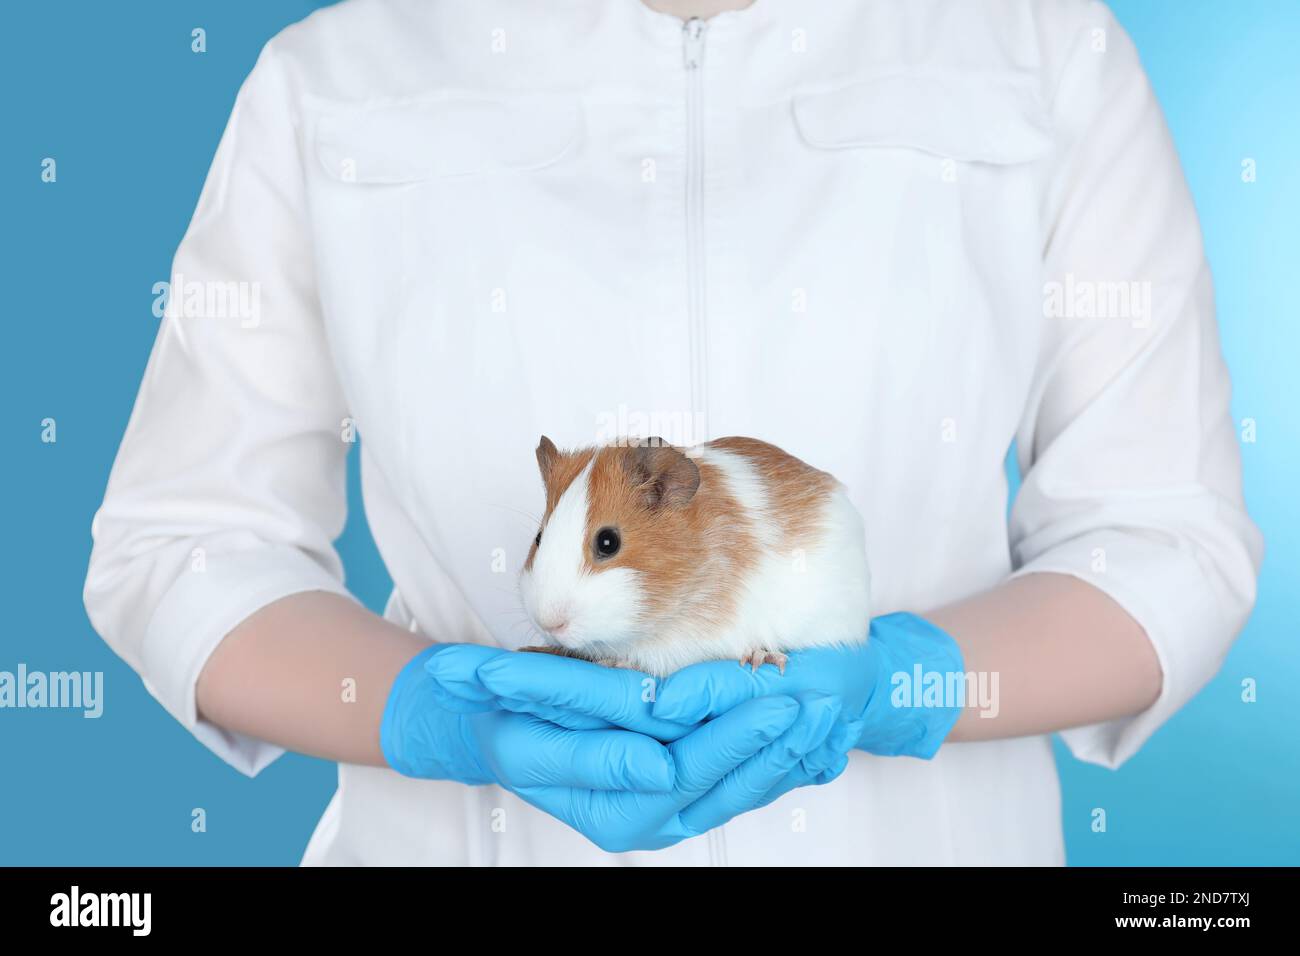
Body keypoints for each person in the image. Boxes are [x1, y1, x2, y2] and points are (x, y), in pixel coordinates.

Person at [84, 0, 1262, 865]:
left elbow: (1163, 542)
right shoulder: (330, 79)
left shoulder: (1048, 53)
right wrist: (431, 710)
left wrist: (908, 681)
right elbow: (184, 547)